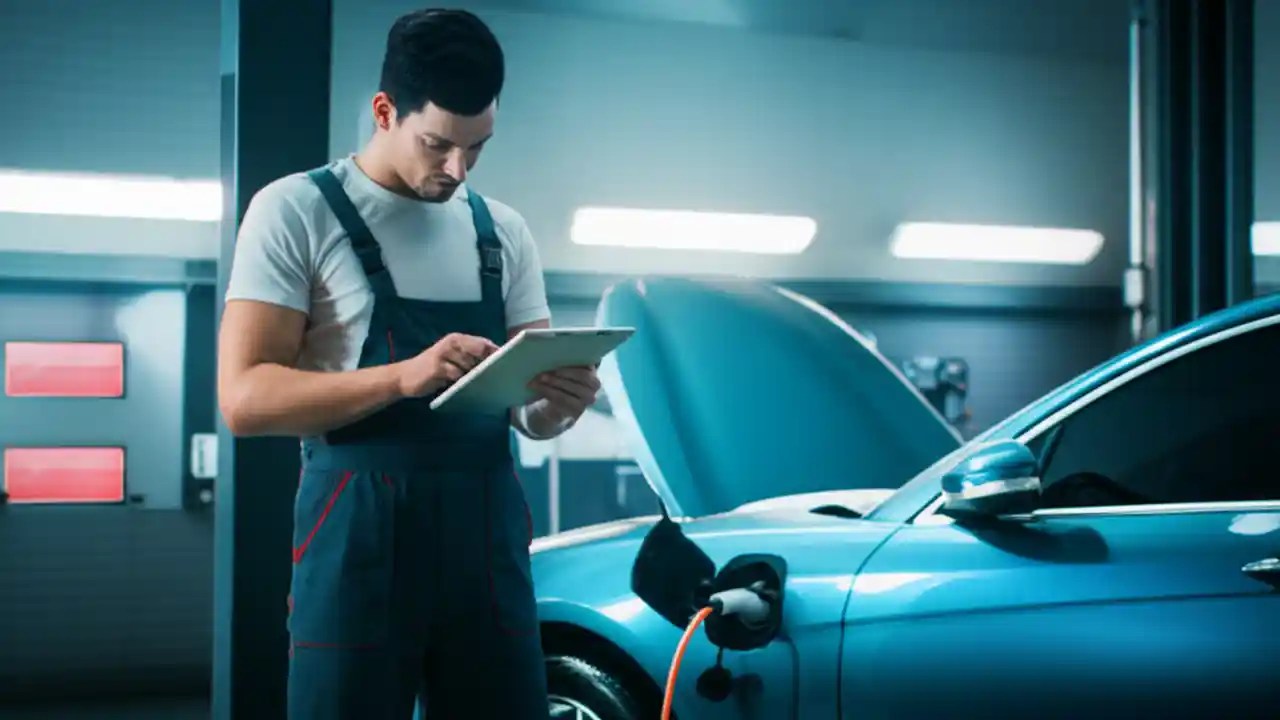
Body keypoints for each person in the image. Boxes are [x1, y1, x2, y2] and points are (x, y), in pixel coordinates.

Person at [216, 8, 596, 718]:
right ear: (384, 111)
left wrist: (558, 401)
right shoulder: (296, 211)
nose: (457, 169)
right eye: (438, 144)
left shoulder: (502, 231)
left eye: (478, 147)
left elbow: (529, 415)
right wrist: (403, 377)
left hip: (487, 543)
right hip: (355, 534)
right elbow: (244, 398)